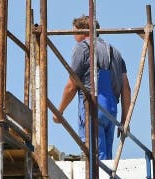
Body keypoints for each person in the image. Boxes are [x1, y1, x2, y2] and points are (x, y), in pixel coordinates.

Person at [54, 15, 130, 160]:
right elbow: (126, 89)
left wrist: (59, 111)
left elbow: (72, 85)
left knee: (93, 158)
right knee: (105, 159)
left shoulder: (82, 47)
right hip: (111, 111)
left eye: (74, 33)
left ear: (84, 32)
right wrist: (125, 120)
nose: (73, 37)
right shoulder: (115, 52)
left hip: (92, 107)